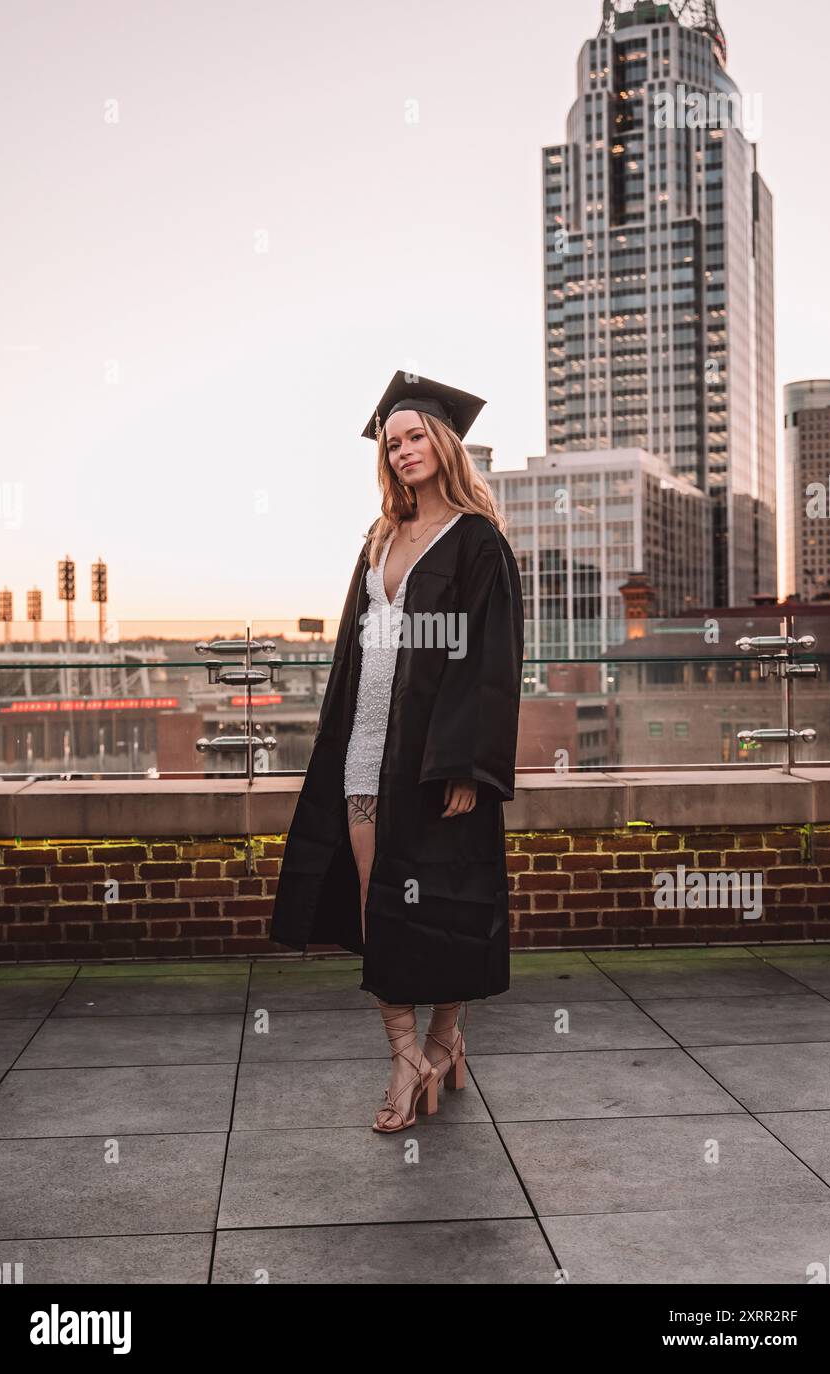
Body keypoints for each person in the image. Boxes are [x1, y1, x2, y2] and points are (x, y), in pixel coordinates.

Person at [270, 371, 525, 1133]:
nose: (403, 450)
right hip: (366, 748)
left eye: (415, 436)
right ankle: (407, 1052)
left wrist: (465, 765)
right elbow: (354, 652)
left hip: (435, 758)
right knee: (380, 902)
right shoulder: (380, 536)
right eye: (392, 442)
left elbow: (490, 661)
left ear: (444, 443)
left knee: (443, 904)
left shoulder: (478, 543)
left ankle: (445, 1042)